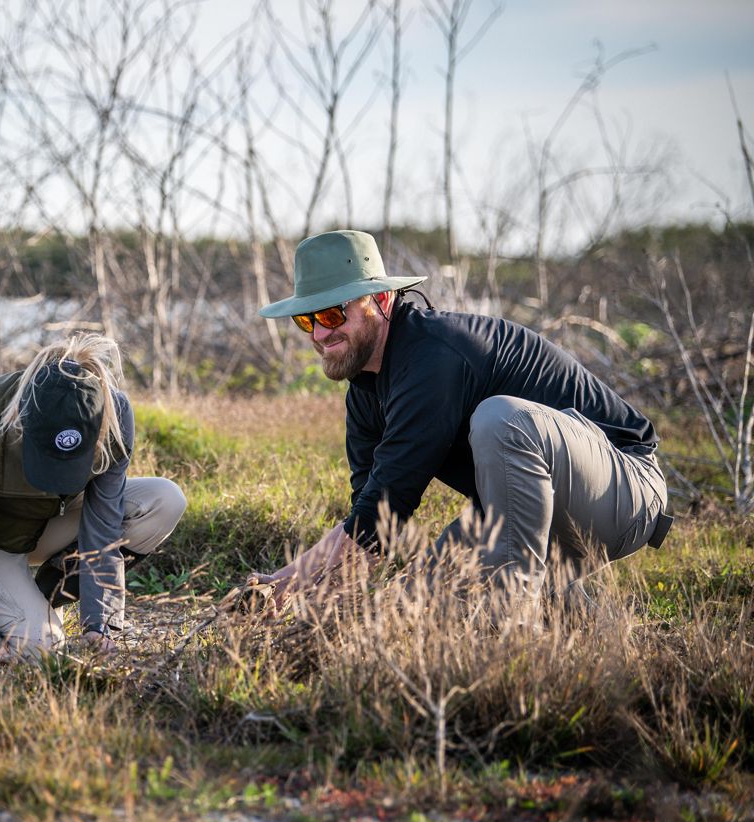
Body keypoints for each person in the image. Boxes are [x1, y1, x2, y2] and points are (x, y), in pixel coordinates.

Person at [249, 229, 670, 601]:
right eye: (307, 320)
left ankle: (513, 624)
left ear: (381, 299)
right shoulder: (364, 393)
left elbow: (381, 510)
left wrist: (295, 587)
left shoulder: (433, 355)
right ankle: (568, 613)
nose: (320, 334)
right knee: (408, 607)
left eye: (331, 314)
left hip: (625, 492)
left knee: (500, 419)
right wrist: (288, 595)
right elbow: (374, 525)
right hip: (528, 514)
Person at [0, 334, 186, 664]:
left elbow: (104, 527)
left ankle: (40, 598)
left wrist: (98, 625)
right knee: (44, 651)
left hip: (40, 526)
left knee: (164, 500)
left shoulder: (113, 415)